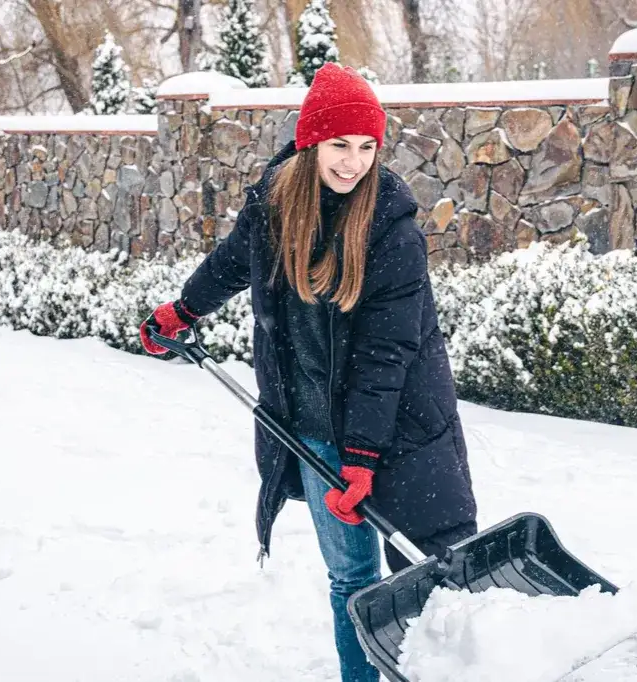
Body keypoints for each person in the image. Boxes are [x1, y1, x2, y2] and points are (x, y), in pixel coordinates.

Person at [139, 62, 478, 682]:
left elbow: (386, 350)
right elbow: (232, 261)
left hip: (397, 425)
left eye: (367, 147)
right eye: (339, 146)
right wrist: (183, 310)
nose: (353, 163)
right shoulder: (275, 202)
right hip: (314, 423)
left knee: (422, 569)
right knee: (351, 576)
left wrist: (363, 455)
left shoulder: (390, 226)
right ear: (309, 142)